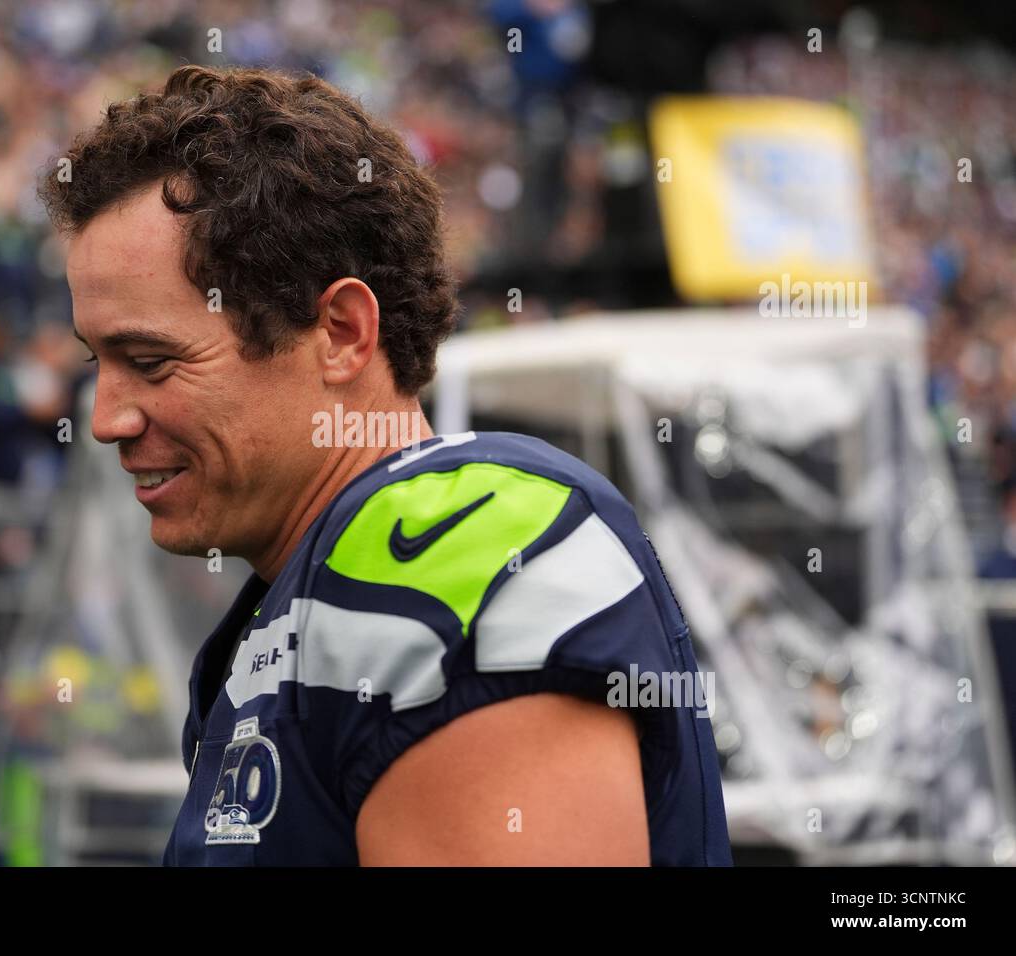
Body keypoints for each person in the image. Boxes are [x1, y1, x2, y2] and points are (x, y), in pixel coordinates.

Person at [39, 65, 731, 865]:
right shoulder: (302, 594)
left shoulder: (455, 544)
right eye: (99, 363)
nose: (104, 419)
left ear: (338, 332)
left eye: (151, 361)